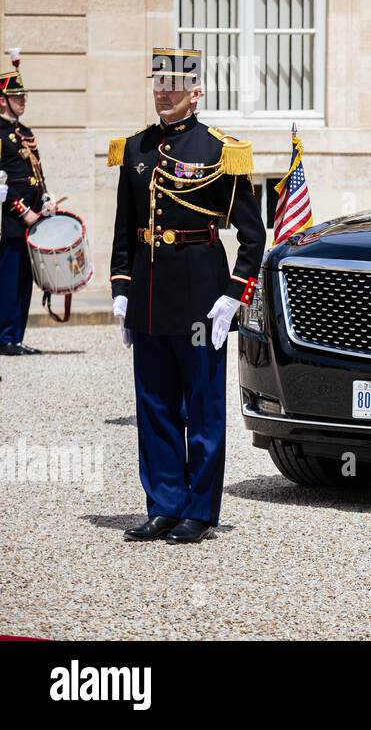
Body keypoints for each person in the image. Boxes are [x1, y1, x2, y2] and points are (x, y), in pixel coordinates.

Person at [109, 48, 266, 544]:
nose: (163, 92)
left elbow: (253, 236)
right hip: (150, 297)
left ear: (195, 93)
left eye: (173, 86)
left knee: (201, 408)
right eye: (158, 83)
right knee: (154, 406)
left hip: (201, 295)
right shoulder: (135, 149)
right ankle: (163, 504)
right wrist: (120, 289)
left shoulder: (221, 150)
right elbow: (123, 230)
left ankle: (198, 510)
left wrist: (232, 296)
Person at [0, 53, 54, 356]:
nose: (23, 101)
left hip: (33, 218)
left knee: (23, 281)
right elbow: (2, 185)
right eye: (16, 97)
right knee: (8, 281)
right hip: (10, 222)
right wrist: (24, 211)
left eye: (23, 96)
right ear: (2, 100)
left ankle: (15, 335)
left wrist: (45, 199)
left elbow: (33, 174)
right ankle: (5, 336)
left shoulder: (24, 133)